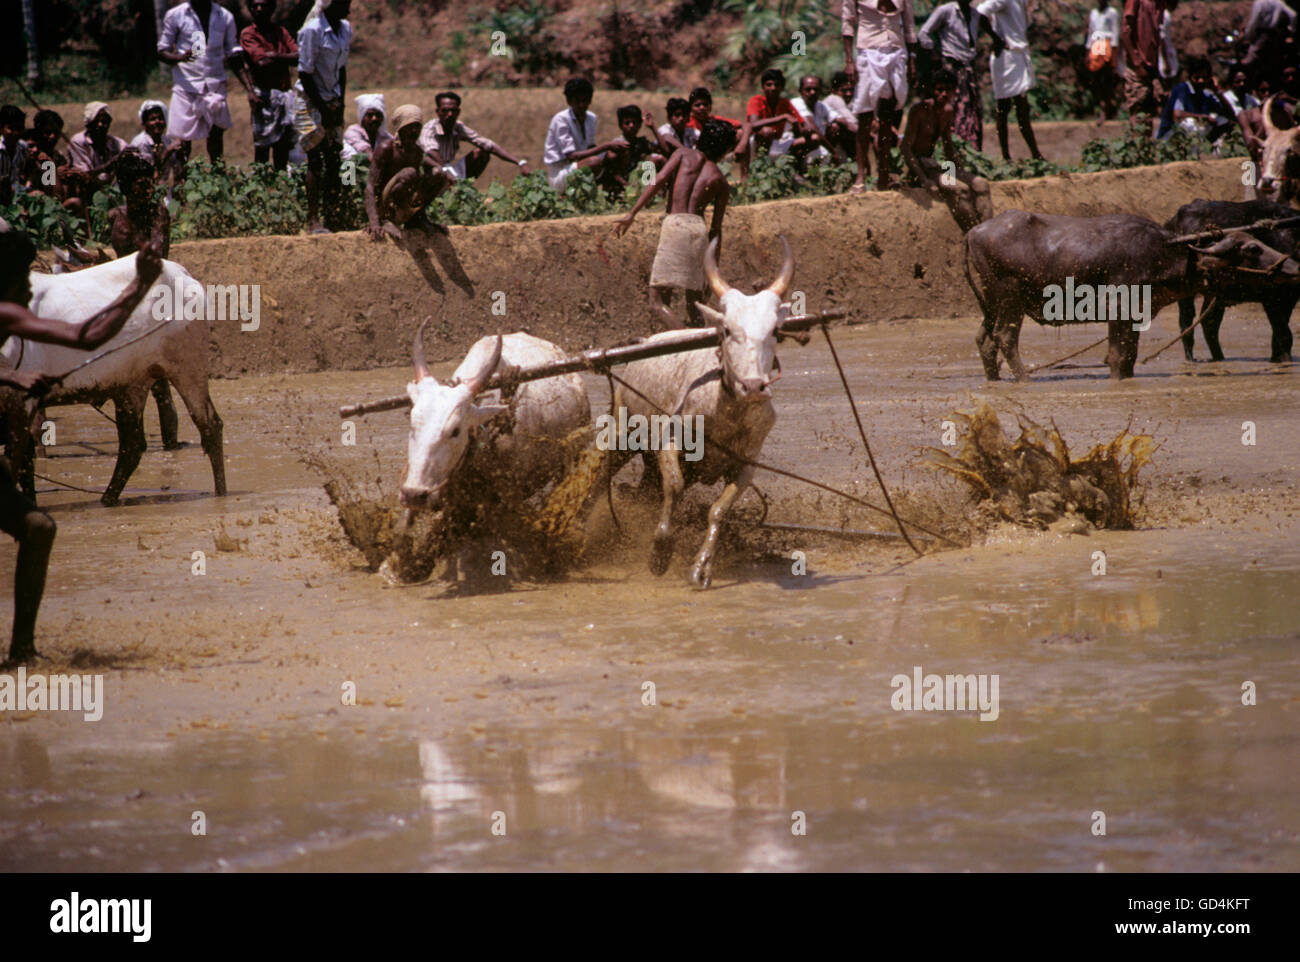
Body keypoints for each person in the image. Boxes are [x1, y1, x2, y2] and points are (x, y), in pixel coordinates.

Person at [0, 228, 163, 666]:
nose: (29, 287)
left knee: (38, 528)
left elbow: (88, 335)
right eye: (21, 278)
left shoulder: (7, 316)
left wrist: (139, 287)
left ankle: (21, 652)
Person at [612, 119, 738, 328]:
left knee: (657, 302)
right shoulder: (720, 181)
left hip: (676, 225)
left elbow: (657, 179)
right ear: (726, 150)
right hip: (699, 230)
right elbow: (716, 229)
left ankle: (687, 342)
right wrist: (713, 267)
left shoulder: (682, 155)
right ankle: (698, 345)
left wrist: (632, 213)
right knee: (695, 304)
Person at [104, 152, 181, 451]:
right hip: (127, 302)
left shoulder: (157, 213)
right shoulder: (118, 217)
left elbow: (158, 255)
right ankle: (135, 445)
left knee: (160, 381)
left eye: (148, 183)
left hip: (154, 300)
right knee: (125, 383)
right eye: (139, 184)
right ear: (126, 186)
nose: (146, 189)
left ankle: (170, 448)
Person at [157, 0, 253, 163]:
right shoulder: (176, 15)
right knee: (182, 142)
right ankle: (182, 183)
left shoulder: (224, 16)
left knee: (216, 137)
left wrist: (249, 89)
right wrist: (181, 58)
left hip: (215, 85)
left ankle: (217, 181)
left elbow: (233, 54)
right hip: (186, 86)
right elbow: (162, 51)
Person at [899, 68, 993, 232]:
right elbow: (906, 148)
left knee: (982, 185)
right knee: (962, 190)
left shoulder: (947, 112)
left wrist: (958, 170)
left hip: (933, 166)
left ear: (954, 91)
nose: (943, 94)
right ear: (932, 89)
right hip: (918, 168)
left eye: (948, 90)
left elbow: (947, 144)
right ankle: (975, 234)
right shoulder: (919, 111)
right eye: (939, 89)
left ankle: (989, 233)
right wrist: (923, 179)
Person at [843, 0, 919, 193]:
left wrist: (912, 60)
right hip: (867, 52)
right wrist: (849, 61)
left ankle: (883, 176)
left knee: (887, 117)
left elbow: (909, 25)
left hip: (896, 52)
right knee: (865, 116)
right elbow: (848, 23)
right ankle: (861, 176)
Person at [294, 0, 352, 234]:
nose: (347, 5)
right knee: (315, 159)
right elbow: (305, 74)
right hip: (310, 100)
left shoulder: (345, 28)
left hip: (333, 100)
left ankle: (335, 214)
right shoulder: (312, 30)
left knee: (335, 159)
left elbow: (342, 69)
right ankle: (313, 220)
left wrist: (340, 104)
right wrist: (323, 109)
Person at [365, 104, 447, 245]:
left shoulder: (416, 152)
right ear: (401, 127)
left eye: (417, 126)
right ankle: (387, 219)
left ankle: (416, 219)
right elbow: (370, 187)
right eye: (410, 126)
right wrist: (374, 221)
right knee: (409, 173)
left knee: (438, 175)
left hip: (404, 203)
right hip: (384, 205)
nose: (414, 131)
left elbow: (426, 182)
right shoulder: (387, 148)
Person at [978, 0, 1044, 161]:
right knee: (1004, 107)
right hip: (1007, 57)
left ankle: (1035, 154)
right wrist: (996, 38)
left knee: (1022, 108)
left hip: (1018, 56)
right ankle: (1007, 156)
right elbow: (980, 12)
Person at [418, 91, 529, 183]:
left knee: (481, 153)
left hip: (449, 169)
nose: (450, 114)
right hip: (431, 172)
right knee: (437, 171)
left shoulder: (458, 127)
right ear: (438, 112)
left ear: (458, 112)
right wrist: (447, 173)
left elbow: (487, 144)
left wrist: (520, 162)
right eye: (445, 110)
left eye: (453, 110)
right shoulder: (429, 129)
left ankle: (465, 186)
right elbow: (432, 153)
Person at [240, 0, 300, 170]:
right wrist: (283, 57)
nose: (259, 9)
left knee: (283, 144)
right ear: (250, 9)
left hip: (284, 92)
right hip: (264, 94)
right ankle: (261, 188)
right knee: (262, 145)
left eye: (264, 5)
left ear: (272, 8)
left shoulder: (280, 31)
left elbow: (299, 57)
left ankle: (279, 187)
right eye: (255, 5)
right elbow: (261, 62)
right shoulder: (248, 34)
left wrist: (274, 55)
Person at [918, 0, 985, 148]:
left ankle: (969, 151)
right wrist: (934, 54)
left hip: (968, 69)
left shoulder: (975, 14)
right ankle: (949, 153)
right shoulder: (946, 11)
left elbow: (985, 27)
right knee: (951, 109)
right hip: (951, 68)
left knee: (971, 111)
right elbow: (924, 33)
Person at [542, 77, 626, 193]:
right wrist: (606, 146)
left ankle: (613, 194)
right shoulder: (561, 119)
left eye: (585, 101)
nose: (582, 105)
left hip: (578, 166)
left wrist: (608, 153)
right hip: (560, 172)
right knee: (595, 162)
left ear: (590, 100)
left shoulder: (591, 118)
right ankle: (578, 194)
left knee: (613, 156)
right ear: (569, 101)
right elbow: (572, 156)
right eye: (577, 101)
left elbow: (590, 147)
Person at [65, 103, 129, 223]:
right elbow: (85, 175)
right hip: (86, 192)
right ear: (88, 123)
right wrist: (112, 163)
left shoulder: (116, 143)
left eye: (105, 122)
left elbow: (128, 152)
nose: (100, 125)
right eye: (96, 121)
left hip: (109, 191)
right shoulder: (79, 141)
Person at [1157, 56, 1234, 143]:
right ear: (1190, 77)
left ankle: (1210, 149)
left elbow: (1230, 114)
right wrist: (1203, 117)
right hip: (1171, 134)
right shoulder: (1182, 89)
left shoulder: (1206, 93)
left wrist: (1217, 92)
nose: (1201, 81)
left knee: (1223, 121)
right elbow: (1177, 115)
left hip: (1195, 134)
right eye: (1197, 78)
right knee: (1190, 122)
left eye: (1204, 78)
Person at [599, 104, 666, 198]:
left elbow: (664, 151)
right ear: (620, 125)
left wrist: (653, 128)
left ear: (639, 124)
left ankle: (651, 193)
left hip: (636, 184)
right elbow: (612, 173)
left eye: (635, 122)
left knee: (656, 160)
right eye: (627, 123)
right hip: (619, 187)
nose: (631, 126)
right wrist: (628, 187)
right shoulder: (617, 144)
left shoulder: (641, 143)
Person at [129, 101, 186, 188]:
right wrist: (167, 152)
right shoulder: (141, 143)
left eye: (160, 118)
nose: (157, 122)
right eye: (152, 119)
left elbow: (177, 169)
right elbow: (149, 174)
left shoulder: (166, 141)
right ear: (144, 124)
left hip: (161, 188)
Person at [1123, 0, 1164, 120]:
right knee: (1137, 110)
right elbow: (1126, 31)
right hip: (1138, 66)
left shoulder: (1158, 4)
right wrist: (1136, 62)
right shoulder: (1136, 2)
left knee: (1148, 114)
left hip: (1151, 67)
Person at [1242, 0, 1296, 90]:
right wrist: (1291, 30)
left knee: (1248, 62)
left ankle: (1248, 86)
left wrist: (1248, 36)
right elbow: (1293, 15)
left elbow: (1253, 21)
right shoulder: (1278, 2)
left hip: (1262, 35)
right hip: (1275, 36)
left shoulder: (1259, 3)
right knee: (1275, 63)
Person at [1085, 0, 1125, 119]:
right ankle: (1102, 107)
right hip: (1096, 46)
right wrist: (1088, 51)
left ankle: (1109, 109)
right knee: (1098, 78)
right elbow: (1090, 33)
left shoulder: (1112, 12)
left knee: (1107, 78)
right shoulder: (1093, 13)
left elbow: (1115, 33)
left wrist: (1114, 55)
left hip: (1107, 46)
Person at [789, 75, 836, 165]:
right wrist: (834, 152)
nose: (812, 92)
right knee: (814, 138)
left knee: (835, 127)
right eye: (808, 89)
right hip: (795, 146)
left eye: (816, 89)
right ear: (800, 91)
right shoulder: (795, 103)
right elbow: (812, 128)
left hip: (819, 146)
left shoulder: (821, 106)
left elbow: (840, 119)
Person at [821, 72, 862, 161]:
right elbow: (852, 124)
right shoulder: (834, 99)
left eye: (851, 90)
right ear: (834, 90)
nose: (848, 94)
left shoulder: (850, 103)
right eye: (844, 91)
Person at [342, 93, 391, 160]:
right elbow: (365, 149)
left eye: (378, 115)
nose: (374, 118)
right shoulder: (352, 131)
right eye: (370, 115)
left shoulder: (384, 136)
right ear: (362, 117)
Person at [0, 105, 28, 207]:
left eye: (19, 128)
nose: (16, 133)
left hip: (17, 198)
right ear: (1, 128)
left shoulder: (23, 147)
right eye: (11, 128)